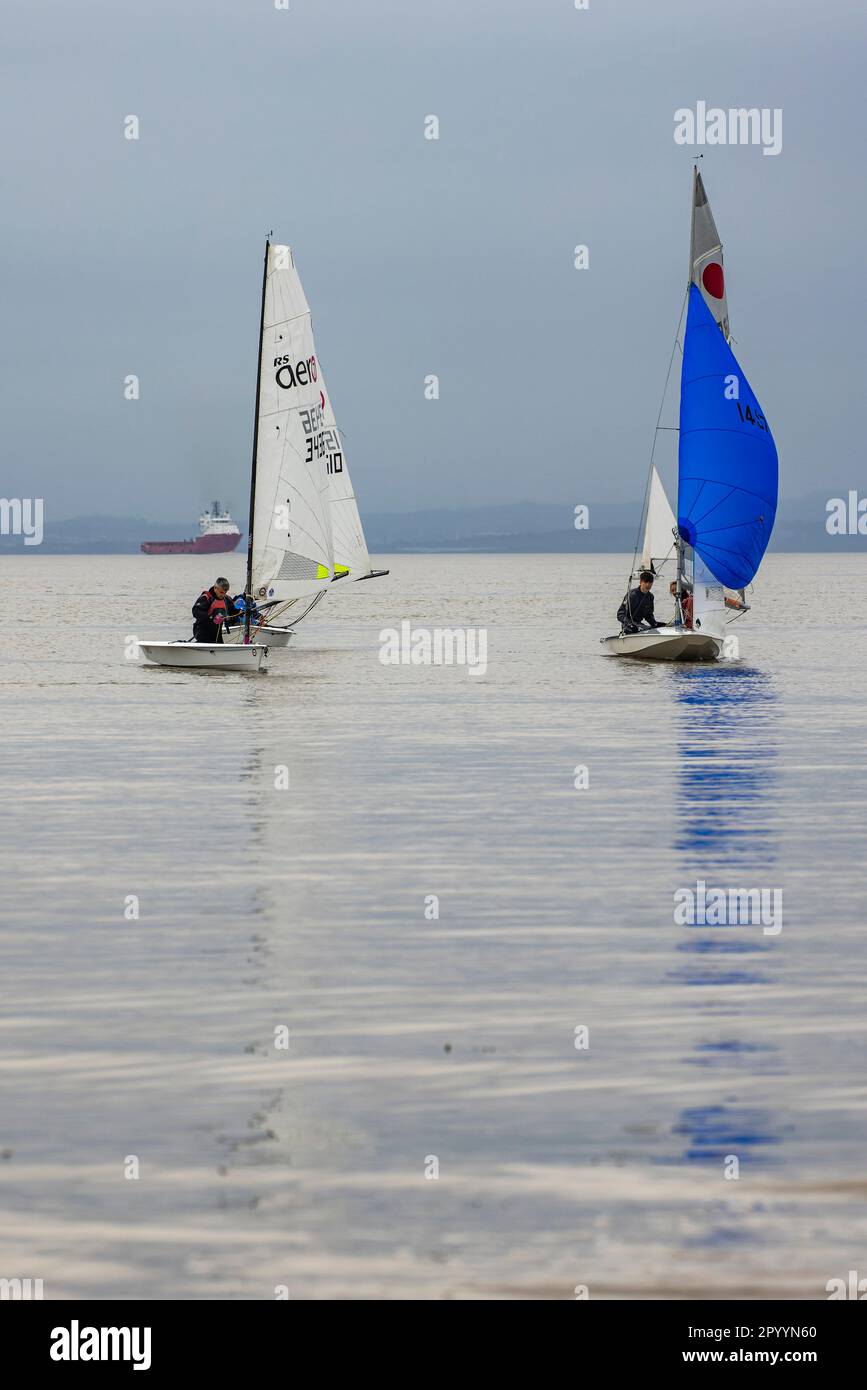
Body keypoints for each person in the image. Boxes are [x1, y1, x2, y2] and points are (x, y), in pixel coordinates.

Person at [192, 577, 232, 643]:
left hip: (217, 632)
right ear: (215, 588)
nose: (223, 595)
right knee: (207, 641)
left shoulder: (226, 599)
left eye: (225, 592)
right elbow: (195, 612)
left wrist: (241, 611)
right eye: (221, 592)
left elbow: (234, 611)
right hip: (202, 630)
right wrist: (210, 616)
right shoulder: (206, 597)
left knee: (219, 644)